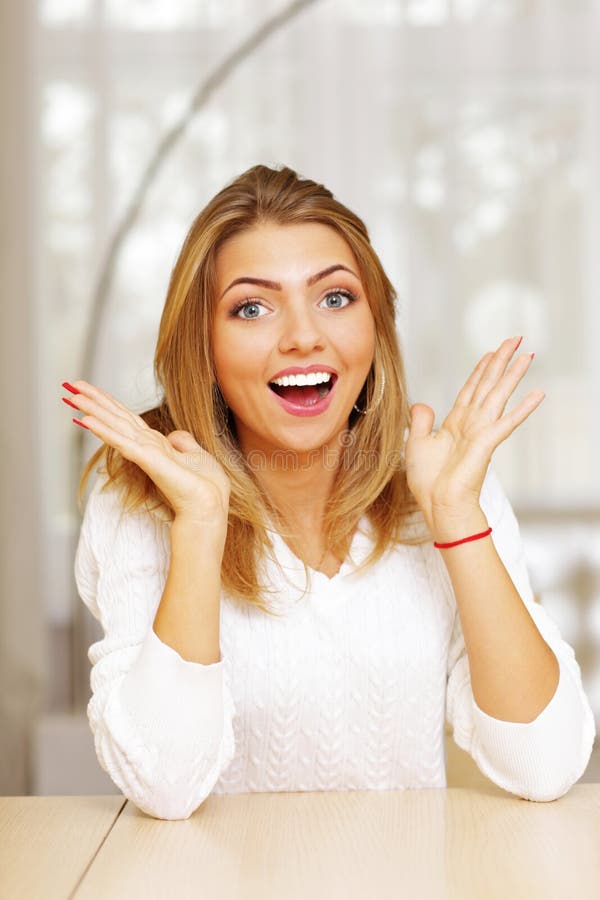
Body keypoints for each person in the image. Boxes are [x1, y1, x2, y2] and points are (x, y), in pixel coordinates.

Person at [68, 164, 595, 821]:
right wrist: (200, 526)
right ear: (202, 344)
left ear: (376, 328)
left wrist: (457, 517)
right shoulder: (141, 503)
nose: (303, 336)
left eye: (336, 297)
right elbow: (166, 787)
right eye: (252, 307)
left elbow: (545, 766)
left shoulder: (444, 484)